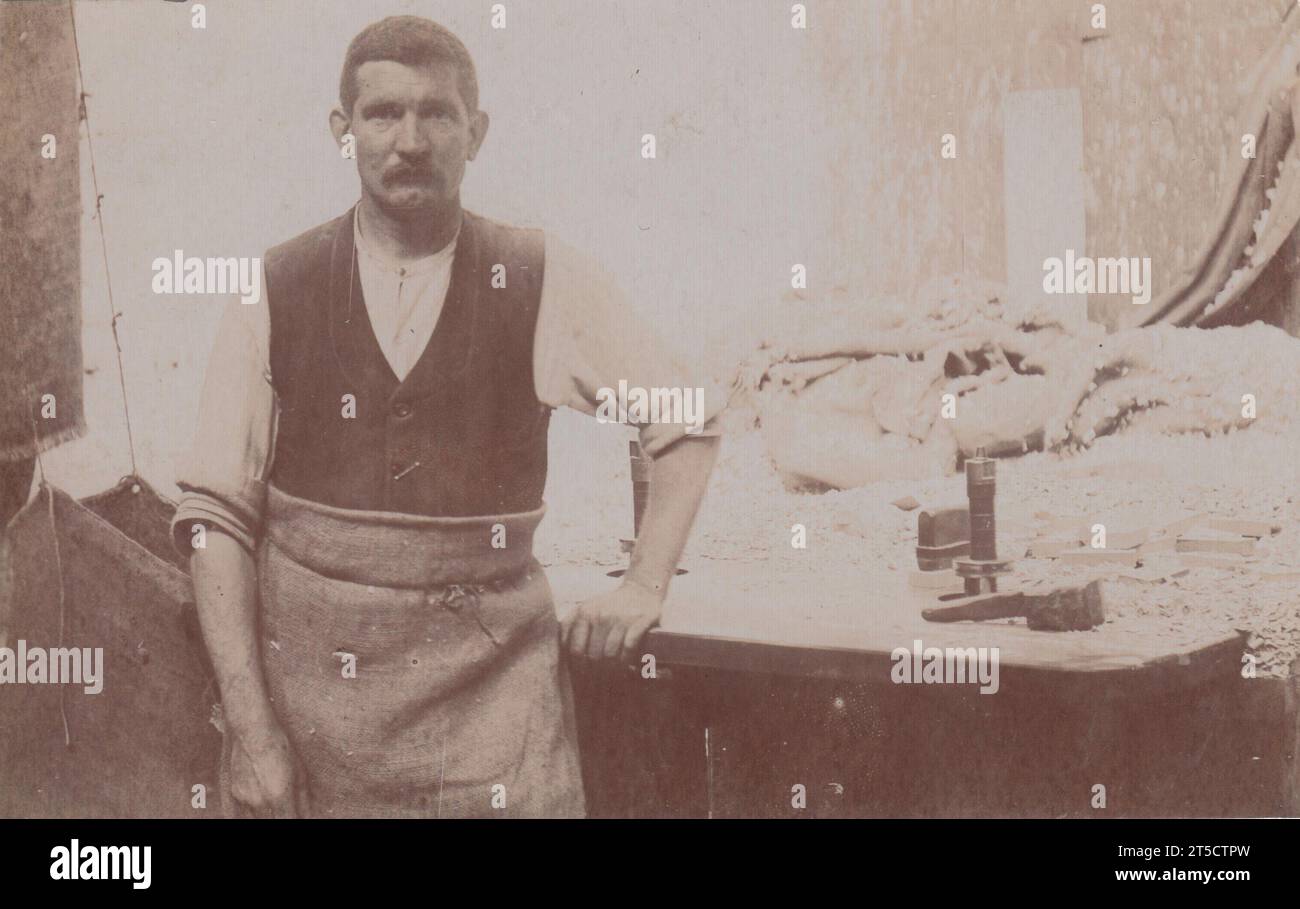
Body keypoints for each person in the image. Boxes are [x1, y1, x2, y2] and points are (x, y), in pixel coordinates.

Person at [171, 15, 721, 818]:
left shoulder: (539, 275)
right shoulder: (273, 288)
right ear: (343, 130)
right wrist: (254, 735)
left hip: (492, 727)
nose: (411, 140)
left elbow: (687, 421)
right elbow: (215, 518)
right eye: (382, 113)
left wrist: (645, 582)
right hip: (313, 733)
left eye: (437, 113)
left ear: (477, 131)